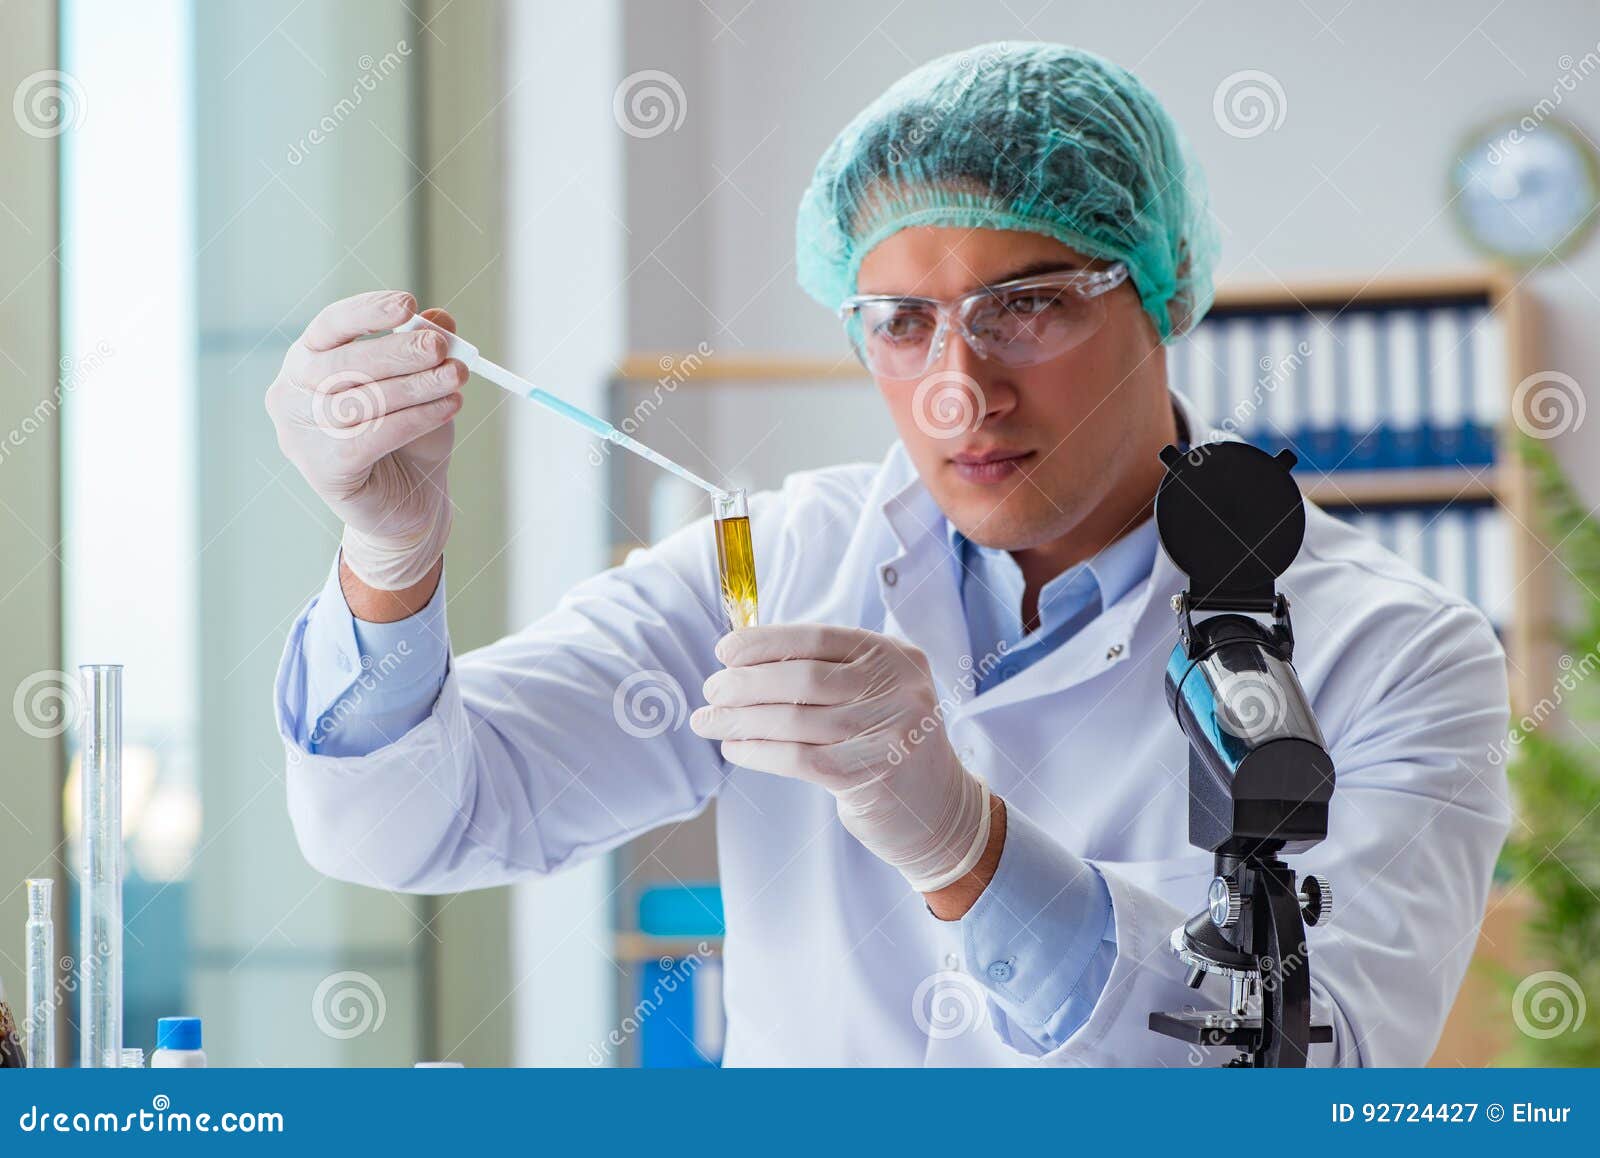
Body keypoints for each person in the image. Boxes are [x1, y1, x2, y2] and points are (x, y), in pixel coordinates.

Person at [265, 42, 1511, 1065]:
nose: (957, 393)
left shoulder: (1397, 652)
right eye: (903, 323)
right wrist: (387, 555)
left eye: (1023, 305)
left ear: (1157, 288)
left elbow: (1320, 1069)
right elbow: (407, 828)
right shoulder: (768, 564)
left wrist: (972, 854)